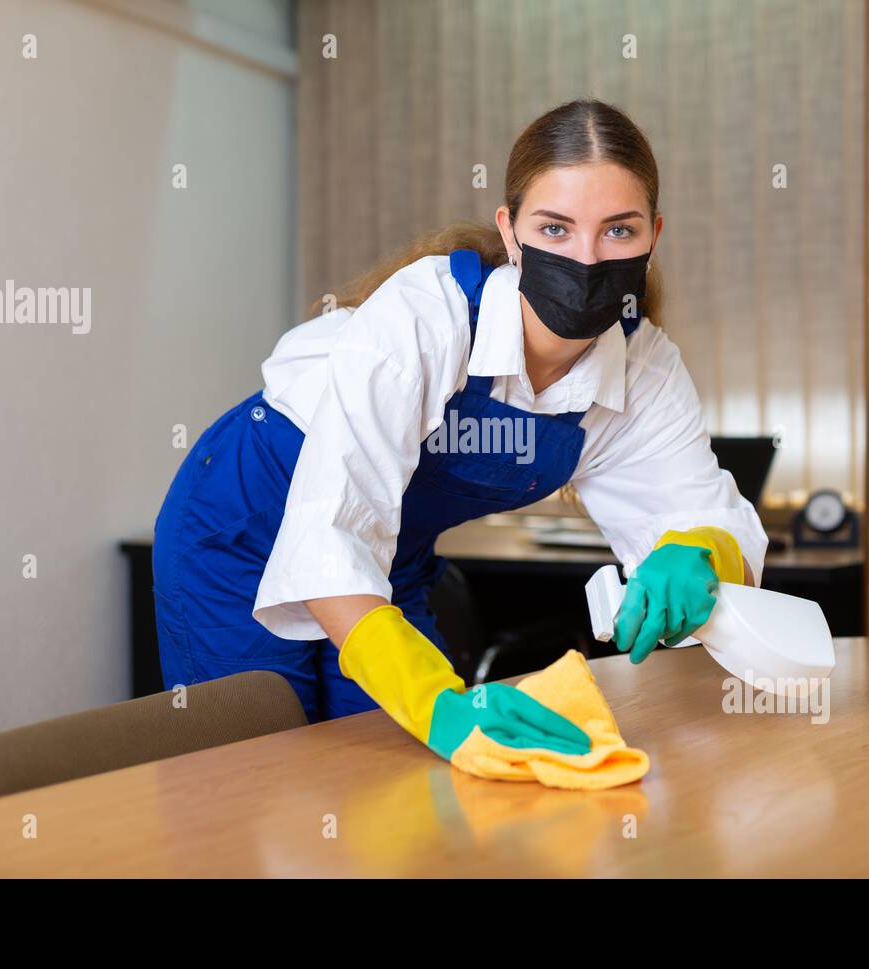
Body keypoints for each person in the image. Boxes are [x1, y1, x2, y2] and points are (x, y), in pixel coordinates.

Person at [152, 98, 769, 765]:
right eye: (555, 228)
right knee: (261, 772)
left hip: (388, 557)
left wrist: (701, 551)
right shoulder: (427, 318)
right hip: (239, 529)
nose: (587, 259)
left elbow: (704, 513)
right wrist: (444, 710)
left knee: (391, 777)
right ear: (511, 232)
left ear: (653, 234)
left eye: (617, 231)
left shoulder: (643, 369)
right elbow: (330, 536)